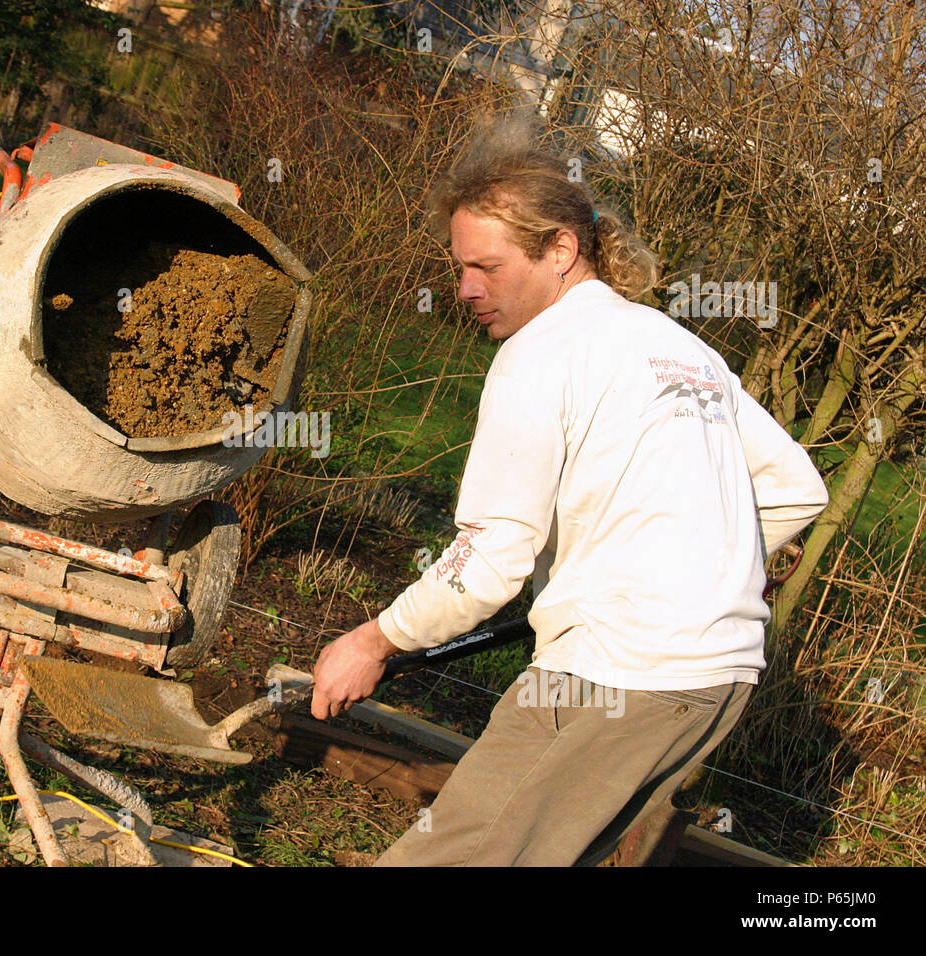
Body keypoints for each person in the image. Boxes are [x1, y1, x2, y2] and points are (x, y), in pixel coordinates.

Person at [309, 116, 830, 866]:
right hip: (716, 680)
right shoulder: (677, 347)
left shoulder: (540, 356)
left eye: (485, 267)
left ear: (560, 250)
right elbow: (793, 488)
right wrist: (704, 574)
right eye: (460, 267)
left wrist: (373, 640)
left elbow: (488, 562)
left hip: (615, 675)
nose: (464, 289)